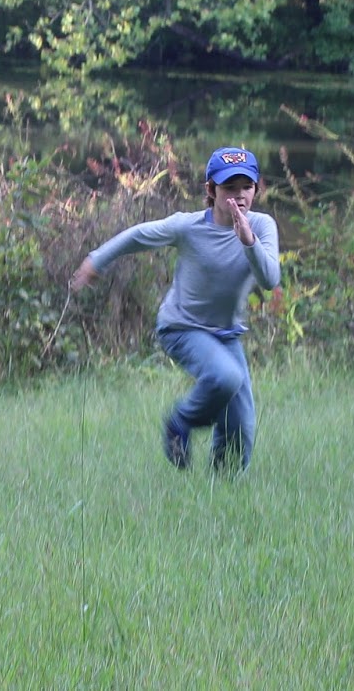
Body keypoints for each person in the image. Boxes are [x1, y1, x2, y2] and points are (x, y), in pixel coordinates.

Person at [70, 146, 280, 471]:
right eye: (228, 188)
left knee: (241, 426)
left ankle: (221, 494)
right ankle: (180, 422)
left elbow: (270, 279)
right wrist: (96, 260)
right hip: (182, 328)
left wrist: (248, 241)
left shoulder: (263, 226)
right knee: (226, 377)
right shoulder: (188, 227)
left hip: (226, 335)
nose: (238, 197)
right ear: (211, 190)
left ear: (256, 188)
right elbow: (139, 235)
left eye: (246, 187)